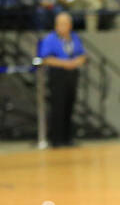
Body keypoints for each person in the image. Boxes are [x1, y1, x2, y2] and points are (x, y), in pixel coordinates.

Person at [37, 12, 86, 148]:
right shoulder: (50, 39)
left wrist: (76, 62)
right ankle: (56, 139)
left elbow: (82, 55)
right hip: (57, 74)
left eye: (66, 24)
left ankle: (68, 137)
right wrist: (65, 63)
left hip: (72, 73)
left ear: (70, 25)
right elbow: (46, 58)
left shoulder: (74, 38)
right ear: (56, 25)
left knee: (70, 104)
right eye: (61, 24)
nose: (63, 26)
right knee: (58, 106)